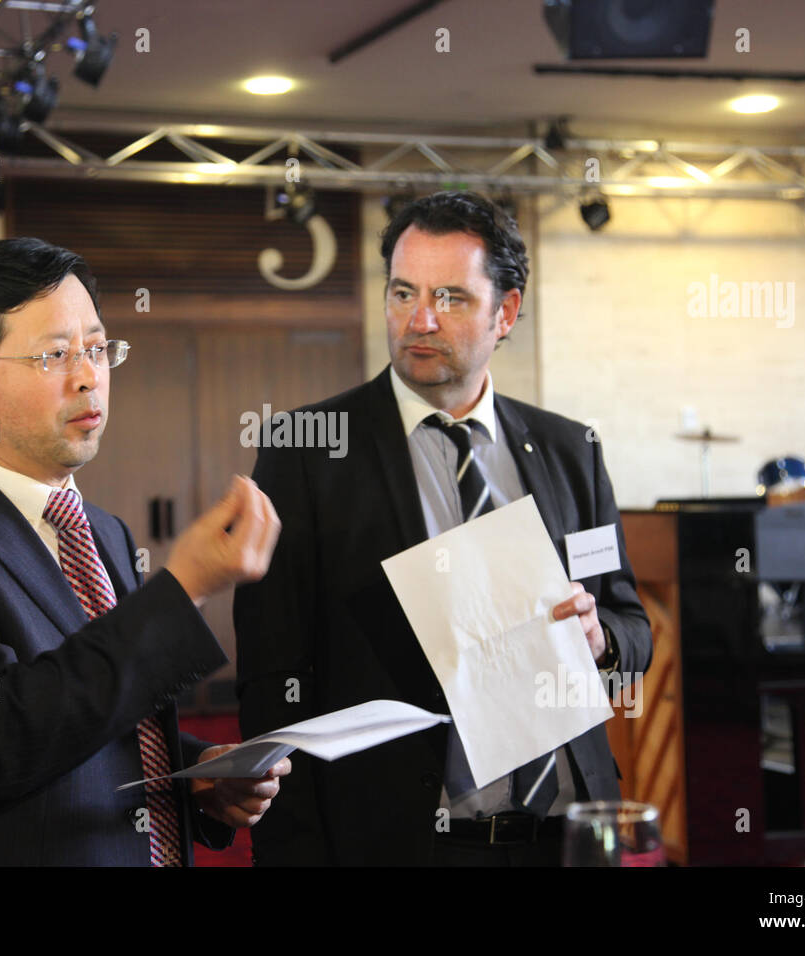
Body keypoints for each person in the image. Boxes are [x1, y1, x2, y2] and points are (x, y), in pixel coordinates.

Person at [0, 237, 287, 866]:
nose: (88, 376)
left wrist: (195, 772)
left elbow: (99, 713)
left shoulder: (104, 531)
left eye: (98, 349)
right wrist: (180, 592)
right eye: (54, 355)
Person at [234, 191, 652, 866]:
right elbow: (270, 677)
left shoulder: (573, 450)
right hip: (402, 841)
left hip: (568, 836)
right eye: (403, 292)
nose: (419, 319)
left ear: (505, 313)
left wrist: (601, 639)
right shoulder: (308, 450)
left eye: (452, 298)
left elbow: (634, 626)